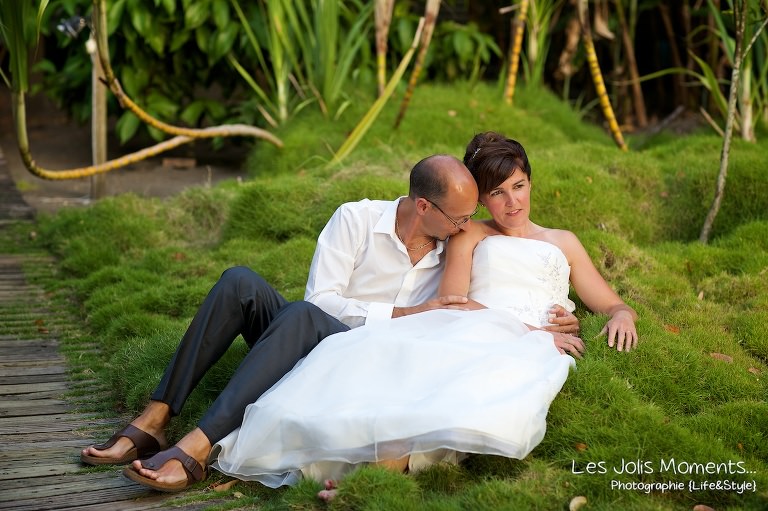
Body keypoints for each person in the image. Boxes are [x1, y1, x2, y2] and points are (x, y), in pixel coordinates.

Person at [80, 153, 581, 492]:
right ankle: (155, 419)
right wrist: (403, 312)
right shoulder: (357, 219)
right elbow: (321, 299)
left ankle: (196, 449)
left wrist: (540, 323)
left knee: (299, 318)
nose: (466, 226)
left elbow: (479, 312)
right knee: (242, 283)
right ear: (424, 206)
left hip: (367, 362)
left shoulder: (456, 249)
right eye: (457, 218)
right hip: (312, 337)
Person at [208, 132, 637, 497]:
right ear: (481, 199)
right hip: (479, 325)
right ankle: (372, 464)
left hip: (530, 345)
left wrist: (621, 315)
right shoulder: (470, 232)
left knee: (480, 389)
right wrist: (532, 329)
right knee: (420, 381)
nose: (512, 202)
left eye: (520, 186)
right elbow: (454, 299)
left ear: (530, 182)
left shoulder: (562, 240)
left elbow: (611, 302)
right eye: (497, 193)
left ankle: (383, 469)